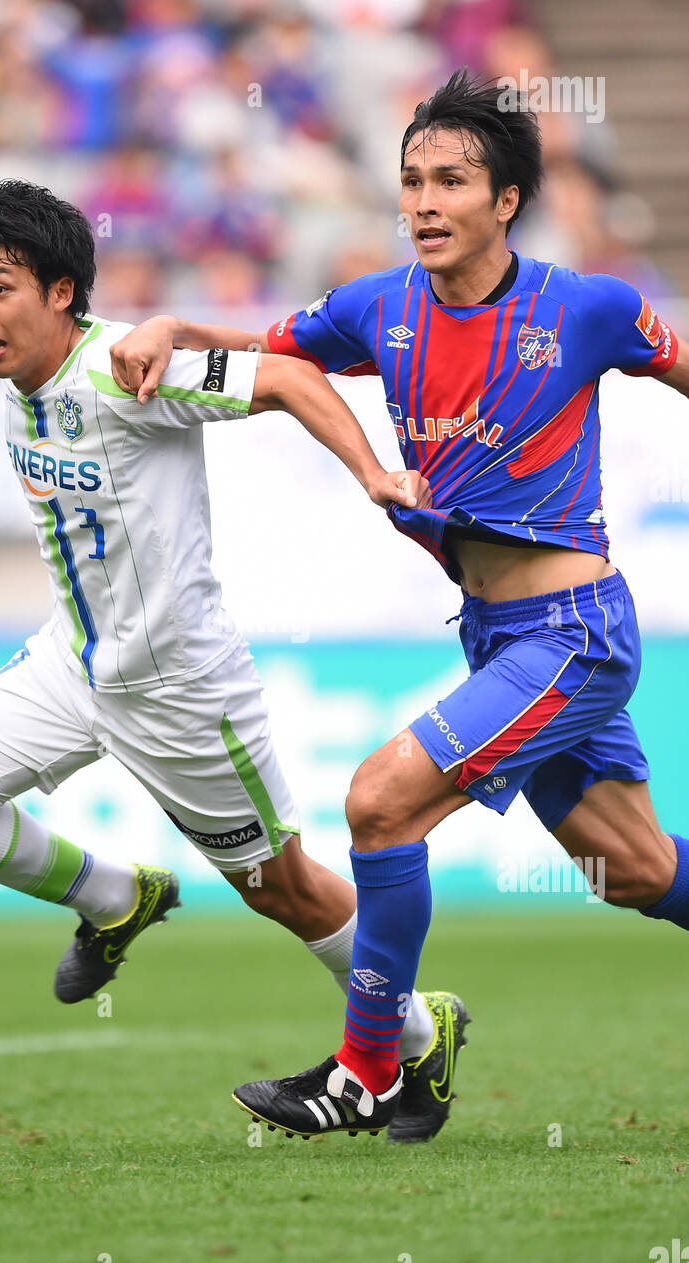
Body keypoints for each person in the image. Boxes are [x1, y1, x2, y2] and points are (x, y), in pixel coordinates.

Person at [109, 69, 689, 1139]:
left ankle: (368, 1069)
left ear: (504, 198)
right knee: (637, 869)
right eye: (410, 179)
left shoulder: (588, 308)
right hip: (496, 638)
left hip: (573, 636)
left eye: (449, 181)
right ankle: (393, 1061)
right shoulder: (375, 309)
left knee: (378, 800)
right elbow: (254, 349)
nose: (421, 201)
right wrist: (164, 320)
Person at [0, 178, 460, 1143]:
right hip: (70, 666)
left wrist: (371, 474)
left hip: (185, 694)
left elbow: (282, 377)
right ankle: (115, 896)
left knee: (287, 891)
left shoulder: (126, 370)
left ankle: (416, 1029)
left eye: (0, 287)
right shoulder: (25, 386)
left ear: (62, 292)